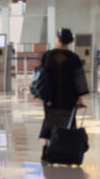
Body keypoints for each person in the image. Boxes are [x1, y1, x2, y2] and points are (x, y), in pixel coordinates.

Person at [37, 28, 88, 156]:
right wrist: (79, 97)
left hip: (50, 97)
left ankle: (47, 149)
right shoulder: (74, 58)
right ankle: (67, 150)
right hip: (69, 97)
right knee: (69, 121)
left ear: (58, 39)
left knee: (49, 121)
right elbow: (79, 79)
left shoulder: (48, 56)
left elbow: (40, 76)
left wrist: (40, 93)